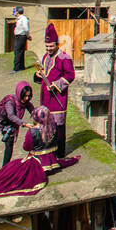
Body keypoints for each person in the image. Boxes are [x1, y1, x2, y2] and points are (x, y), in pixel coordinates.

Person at [34, 23, 74, 160]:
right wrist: (39, 75)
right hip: (45, 97)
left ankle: (60, 153)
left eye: (51, 46)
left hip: (58, 97)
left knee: (58, 126)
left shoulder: (65, 57)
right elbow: (45, 73)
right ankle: (49, 151)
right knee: (47, 125)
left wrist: (56, 85)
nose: (49, 49)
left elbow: (70, 75)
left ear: (57, 44)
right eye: (47, 47)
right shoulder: (46, 57)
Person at [11, 6, 30, 72]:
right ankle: (21, 67)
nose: (14, 12)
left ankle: (16, 68)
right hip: (19, 36)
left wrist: (28, 36)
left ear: (17, 12)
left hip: (21, 36)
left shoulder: (23, 18)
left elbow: (26, 28)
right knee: (20, 51)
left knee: (17, 51)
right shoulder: (18, 19)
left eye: (15, 11)